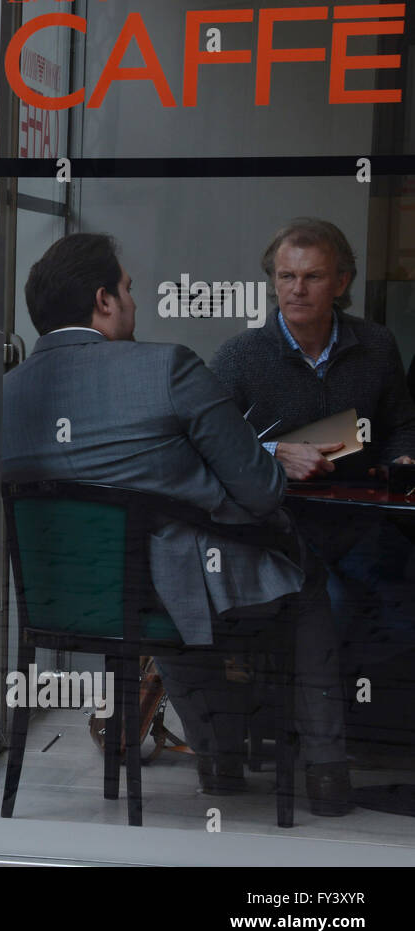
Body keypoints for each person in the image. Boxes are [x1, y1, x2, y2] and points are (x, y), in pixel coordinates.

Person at [2, 233, 351, 815]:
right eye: (129, 289)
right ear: (104, 300)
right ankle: (326, 773)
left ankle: (219, 759)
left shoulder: (6, 393)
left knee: (156, 581)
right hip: (165, 589)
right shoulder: (166, 366)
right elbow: (262, 492)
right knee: (291, 578)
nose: (136, 302)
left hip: (59, 601)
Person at [210, 219, 415, 690]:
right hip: (283, 529)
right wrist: (275, 451)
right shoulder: (241, 355)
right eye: (286, 277)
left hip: (362, 524)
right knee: (332, 612)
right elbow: (204, 441)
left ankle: (342, 712)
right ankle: (299, 728)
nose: (296, 290)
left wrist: (403, 459)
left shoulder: (377, 346)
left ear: (341, 282)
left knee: (402, 612)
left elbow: (401, 424)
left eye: (313, 277)